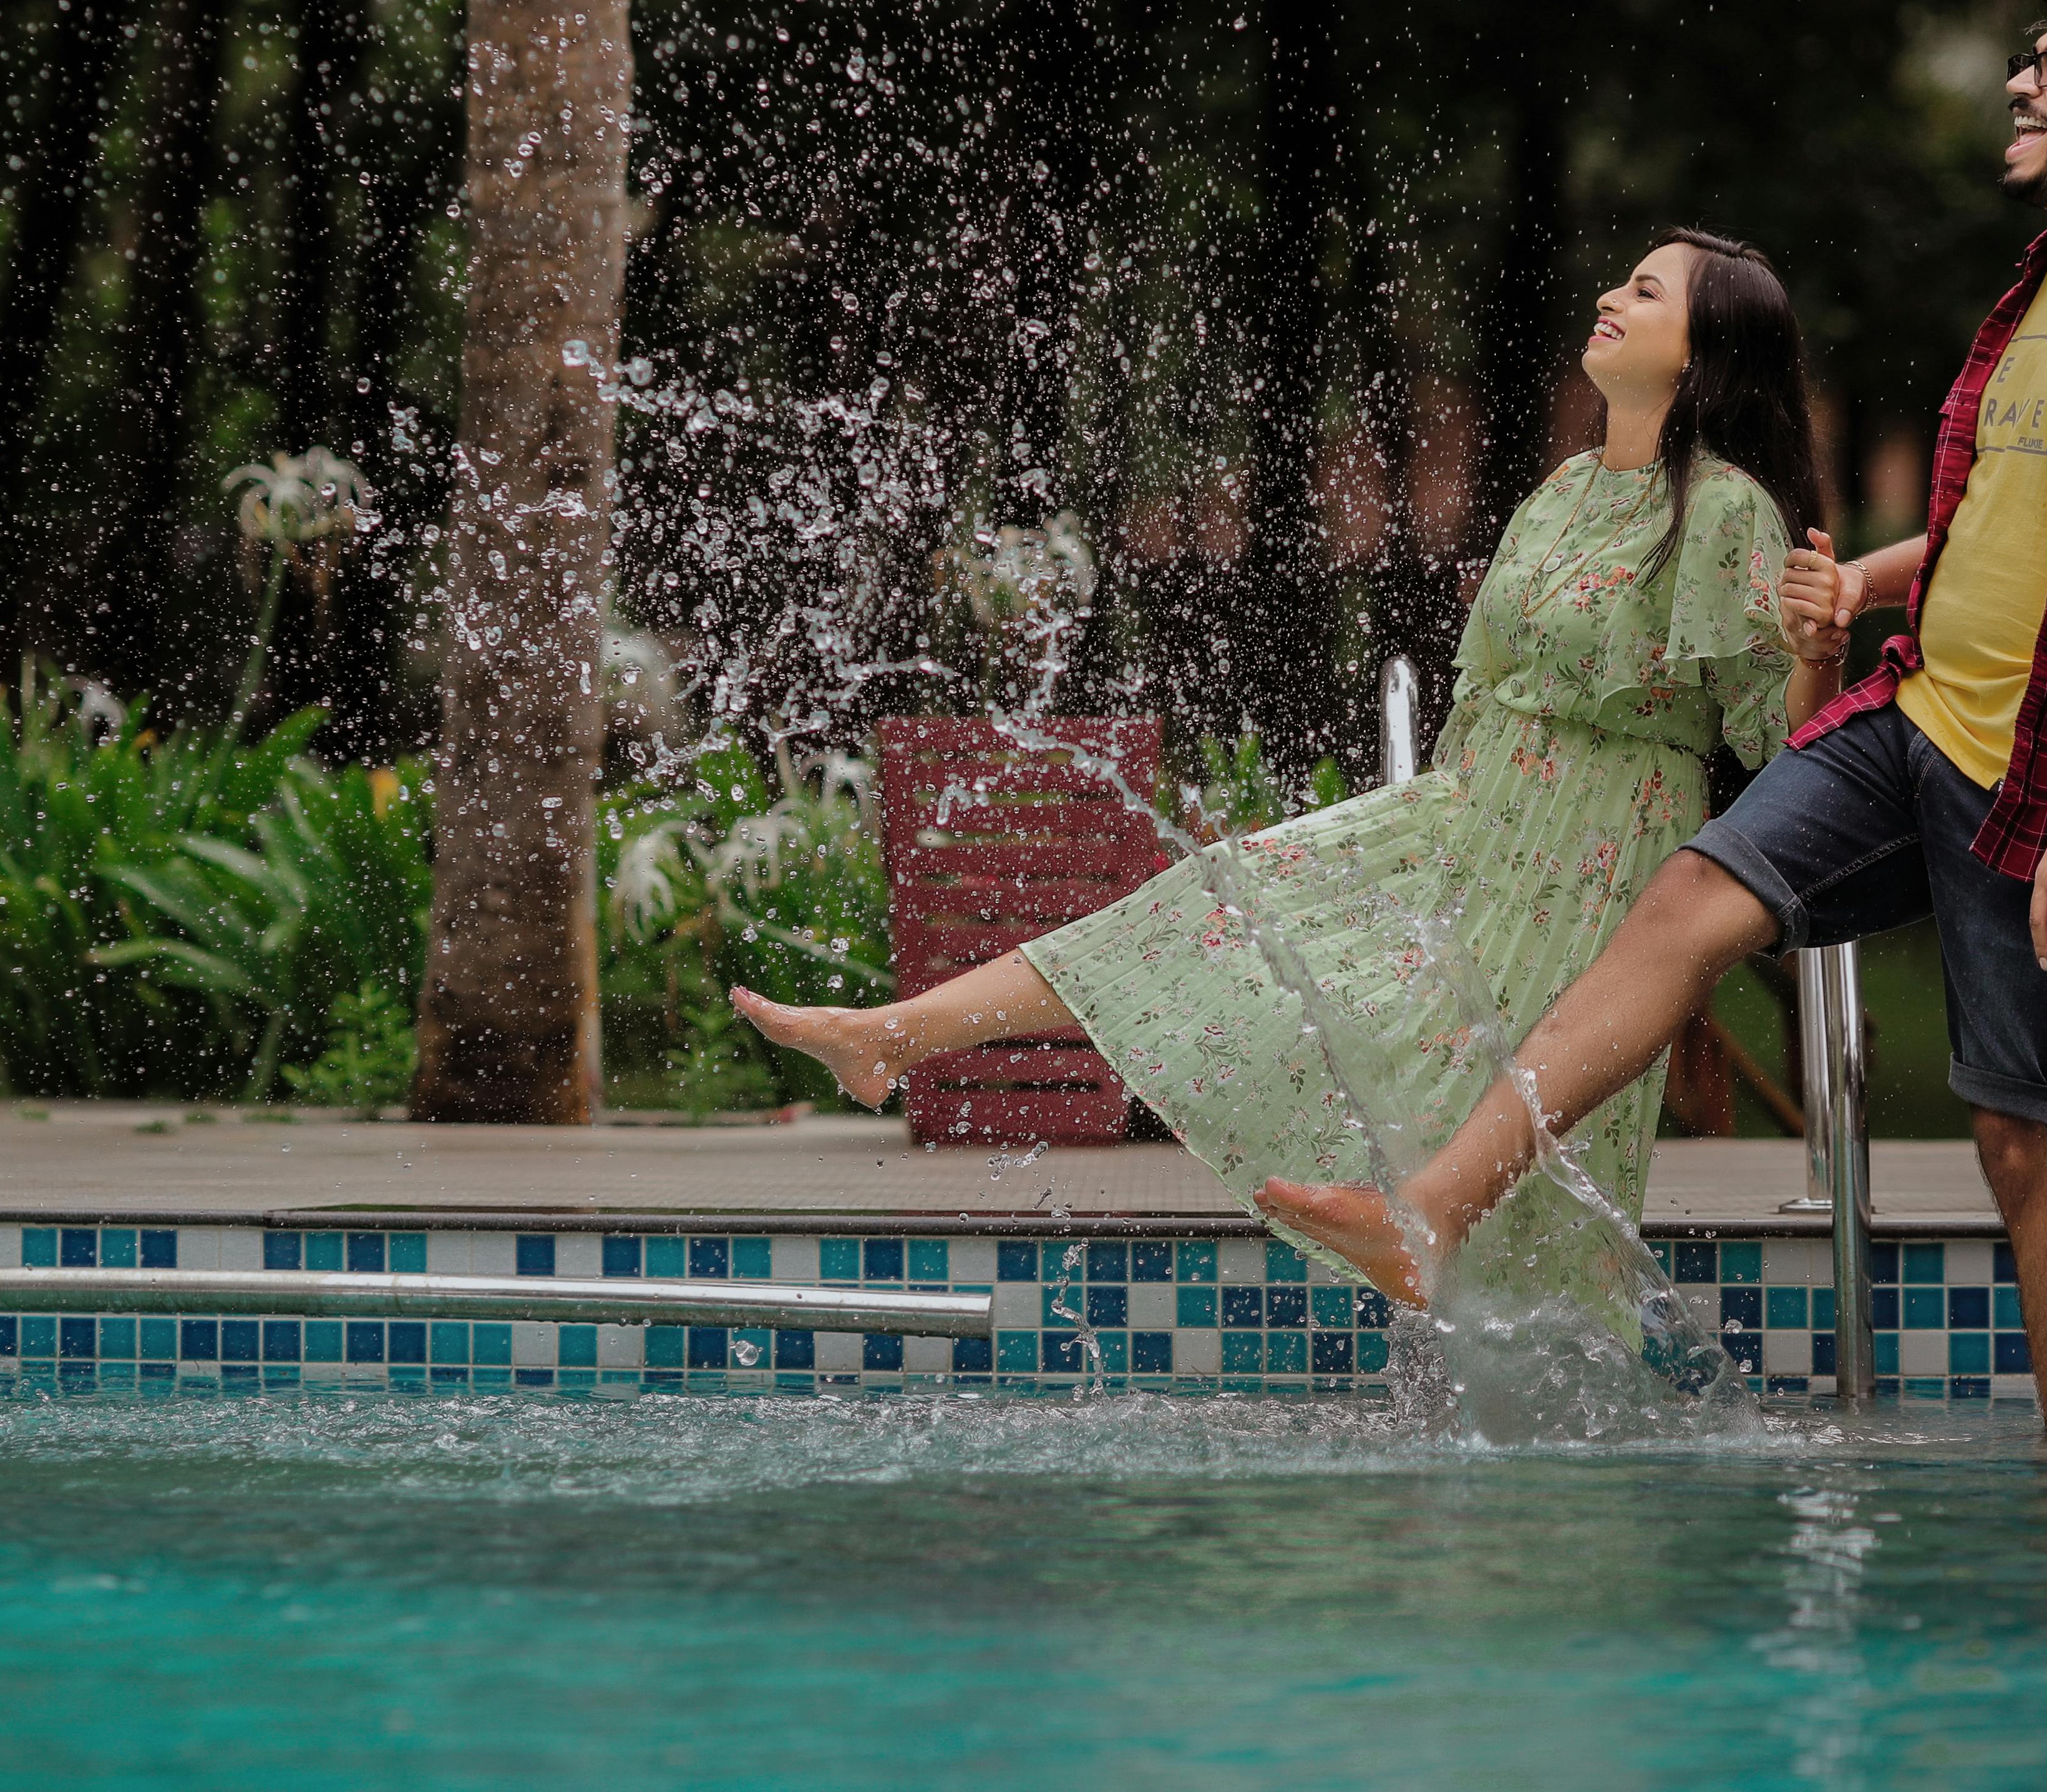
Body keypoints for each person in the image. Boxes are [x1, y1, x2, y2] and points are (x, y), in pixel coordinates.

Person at [1263, 0, 2047, 1433]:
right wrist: (1868, 583)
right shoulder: (2035, 290)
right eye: (2025, 57)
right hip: (1920, 718)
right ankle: (1430, 1213)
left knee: (2029, 1145)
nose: (2022, 82)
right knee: (1687, 900)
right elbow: (2008, 521)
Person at [736, 230, 1831, 1287]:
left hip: (1591, 845)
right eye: (1623, 280)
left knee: (1496, 1112)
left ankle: (1533, 1382)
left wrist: (1814, 654)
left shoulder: (1727, 508)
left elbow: (1772, 739)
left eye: (1647, 292)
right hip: (1467, 808)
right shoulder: (1566, 489)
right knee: (1209, 909)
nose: (1613, 297)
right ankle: (886, 1036)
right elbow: (1484, 679)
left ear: (1701, 352)